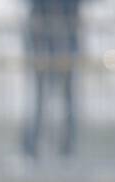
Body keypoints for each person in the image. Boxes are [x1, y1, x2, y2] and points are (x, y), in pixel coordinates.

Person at [21, 0, 82, 159]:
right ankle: (34, 146)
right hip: (42, 40)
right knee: (41, 97)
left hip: (65, 37)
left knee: (65, 98)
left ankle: (66, 147)